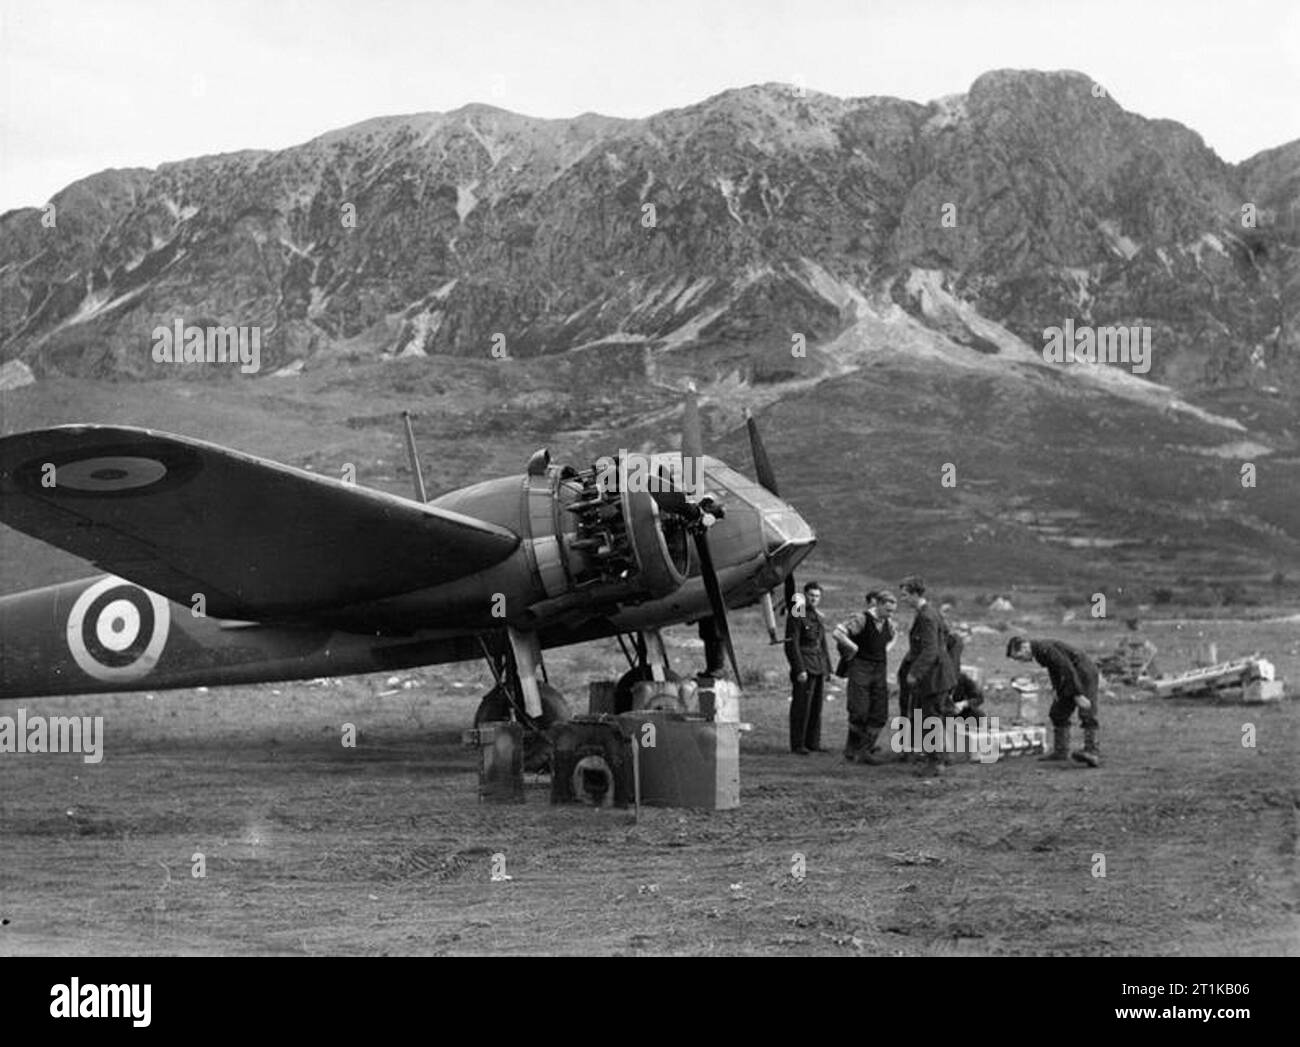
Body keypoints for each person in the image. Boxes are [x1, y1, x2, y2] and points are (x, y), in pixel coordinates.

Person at [1006, 635, 1101, 767]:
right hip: (1071, 678)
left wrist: (1077, 694)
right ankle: (1061, 751)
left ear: (1024, 646)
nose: (1021, 661)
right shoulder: (1041, 651)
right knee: (1058, 713)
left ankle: (1092, 751)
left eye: (1019, 656)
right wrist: (1057, 689)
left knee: (1087, 711)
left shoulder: (1044, 648)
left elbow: (1066, 668)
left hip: (1083, 672)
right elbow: (1056, 670)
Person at [898, 575, 957, 775]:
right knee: (938, 716)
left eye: (905, 595)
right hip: (941, 673)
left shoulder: (926, 616)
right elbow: (946, 634)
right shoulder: (931, 612)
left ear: (915, 594)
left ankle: (935, 763)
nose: (902, 599)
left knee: (930, 718)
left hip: (934, 677)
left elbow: (930, 649)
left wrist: (915, 673)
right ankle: (944, 756)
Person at [832, 589, 897, 764]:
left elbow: (894, 635)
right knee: (859, 710)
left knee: (879, 713)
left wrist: (886, 649)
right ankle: (852, 749)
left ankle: (865, 750)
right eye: (888, 610)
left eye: (892, 611)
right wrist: (853, 647)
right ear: (879, 605)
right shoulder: (861, 619)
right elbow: (838, 633)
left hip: (879, 669)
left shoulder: (888, 622)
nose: (890, 614)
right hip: (860, 667)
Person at [785, 581, 832, 754]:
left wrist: (827, 668)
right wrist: (799, 669)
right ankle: (798, 744)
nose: (814, 599)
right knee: (801, 707)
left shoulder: (817, 616)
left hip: (818, 665)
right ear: (804, 595)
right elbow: (792, 645)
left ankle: (813, 743)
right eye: (811, 596)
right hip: (805, 665)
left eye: (817, 596)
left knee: (816, 708)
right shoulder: (797, 614)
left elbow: (822, 643)